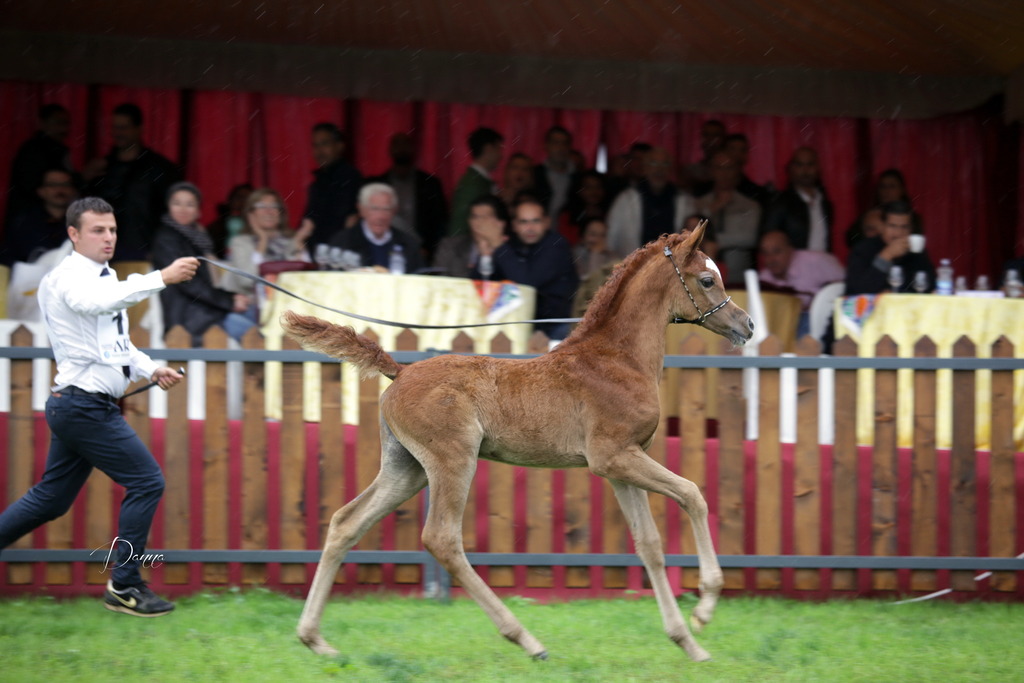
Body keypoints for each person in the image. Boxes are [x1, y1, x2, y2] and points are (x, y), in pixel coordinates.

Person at [0, 196, 198, 617]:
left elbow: (115, 343)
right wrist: (160, 276)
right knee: (147, 482)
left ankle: (125, 584)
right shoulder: (67, 278)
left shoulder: (104, 276)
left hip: (81, 407)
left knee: (51, 500)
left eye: (111, 230)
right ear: (74, 234)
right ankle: (125, 585)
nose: (108, 238)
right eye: (97, 230)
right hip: (83, 408)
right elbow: (98, 304)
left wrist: (150, 369)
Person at [150, 182, 255, 346]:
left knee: (257, 316)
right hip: (189, 316)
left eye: (190, 204)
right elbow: (188, 282)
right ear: (168, 206)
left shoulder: (195, 237)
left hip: (205, 308)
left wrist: (231, 298)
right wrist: (228, 301)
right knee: (257, 336)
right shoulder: (167, 238)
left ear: (198, 210)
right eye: (177, 203)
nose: (183, 209)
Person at [81, 103, 181, 260]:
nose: (117, 133)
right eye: (114, 127)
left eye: (123, 127)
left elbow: (173, 215)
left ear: (139, 128)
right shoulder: (101, 168)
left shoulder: (159, 168)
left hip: (144, 252)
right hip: (103, 253)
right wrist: (84, 179)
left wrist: (162, 248)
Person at [492, 197, 579, 340]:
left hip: (556, 326)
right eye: (523, 222)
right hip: (518, 324)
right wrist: (486, 255)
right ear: (514, 225)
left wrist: (498, 246)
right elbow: (486, 283)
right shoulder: (511, 246)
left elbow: (527, 283)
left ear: (546, 222)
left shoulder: (557, 245)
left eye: (536, 221)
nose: (530, 228)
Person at [365, 132, 448, 259]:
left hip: (421, 253)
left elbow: (440, 223)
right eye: (397, 144)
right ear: (390, 150)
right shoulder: (377, 183)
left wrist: (429, 250)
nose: (401, 148)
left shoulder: (430, 184)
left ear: (413, 149)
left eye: (405, 144)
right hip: (382, 251)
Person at [221, 188, 312, 303]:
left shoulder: (291, 241)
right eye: (262, 206)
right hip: (249, 306)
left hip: (285, 304)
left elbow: (306, 279)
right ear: (251, 214)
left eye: (274, 206)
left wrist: (299, 242)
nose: (269, 211)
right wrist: (262, 241)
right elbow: (247, 281)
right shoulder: (240, 242)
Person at [606, 146, 695, 258]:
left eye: (665, 164)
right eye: (654, 164)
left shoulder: (684, 201)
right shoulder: (625, 200)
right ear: (644, 168)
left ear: (671, 170)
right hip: (634, 268)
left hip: (673, 267)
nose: (659, 170)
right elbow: (610, 240)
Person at [758, 229, 846, 337]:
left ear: (790, 250)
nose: (770, 259)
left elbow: (845, 286)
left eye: (776, 251)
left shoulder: (817, 261)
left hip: (825, 320)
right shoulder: (764, 278)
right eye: (766, 253)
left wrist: (819, 303)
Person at [694, 151, 762, 286]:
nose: (724, 173)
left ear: (737, 171)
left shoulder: (750, 205)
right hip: (702, 274)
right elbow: (691, 231)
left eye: (729, 167)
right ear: (711, 171)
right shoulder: (698, 204)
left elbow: (749, 238)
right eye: (719, 167)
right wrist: (712, 210)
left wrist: (713, 241)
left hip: (737, 275)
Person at [328, 183, 424, 273]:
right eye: (375, 209)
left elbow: (420, 280)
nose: (381, 216)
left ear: (394, 212)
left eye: (386, 209)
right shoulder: (342, 242)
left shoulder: (408, 245)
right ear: (361, 210)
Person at [845, 200, 935, 295]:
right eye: (892, 226)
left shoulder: (916, 251)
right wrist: (885, 256)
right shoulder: (864, 249)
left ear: (911, 229)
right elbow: (856, 290)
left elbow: (929, 287)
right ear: (882, 226)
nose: (898, 233)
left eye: (904, 227)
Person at [299, 122, 362, 257]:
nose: (319, 151)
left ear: (339, 146)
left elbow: (350, 221)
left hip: (340, 255)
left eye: (324, 144)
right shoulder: (318, 182)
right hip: (318, 255)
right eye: (315, 145)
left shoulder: (350, 178)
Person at [6, 104, 73, 224]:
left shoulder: (55, 150)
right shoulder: (35, 151)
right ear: (42, 123)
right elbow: (31, 187)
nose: (63, 129)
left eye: (66, 123)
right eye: (58, 123)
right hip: (33, 219)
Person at [761, 146, 834, 253]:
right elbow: (768, 240)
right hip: (792, 267)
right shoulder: (780, 202)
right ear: (791, 168)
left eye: (810, 164)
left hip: (821, 266)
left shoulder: (824, 203)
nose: (805, 170)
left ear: (818, 167)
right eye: (800, 165)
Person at [2, 167, 77, 266]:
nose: (60, 189)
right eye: (53, 185)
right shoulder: (23, 223)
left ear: (73, 190)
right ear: (40, 191)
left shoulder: (83, 222)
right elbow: (7, 259)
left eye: (65, 185)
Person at [433, 194, 510, 279]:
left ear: (500, 224)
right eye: (474, 217)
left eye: (484, 217)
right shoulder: (449, 246)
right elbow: (437, 281)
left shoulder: (511, 251)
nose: (478, 223)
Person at [447, 127, 504, 238]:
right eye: (499, 149)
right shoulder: (472, 184)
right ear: (488, 149)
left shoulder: (479, 181)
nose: (501, 155)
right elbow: (459, 226)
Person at [846, 168, 922, 248]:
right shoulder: (871, 216)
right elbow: (851, 238)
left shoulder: (913, 219)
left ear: (901, 189)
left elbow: (916, 246)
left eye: (892, 186)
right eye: (883, 186)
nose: (886, 191)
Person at [532, 125, 580, 220]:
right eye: (556, 143)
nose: (560, 148)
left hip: (569, 232)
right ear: (546, 145)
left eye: (565, 143)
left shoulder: (578, 178)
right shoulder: (535, 174)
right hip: (538, 230)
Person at [722, 133, 773, 208]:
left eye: (742, 150)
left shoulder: (756, 192)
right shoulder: (709, 188)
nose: (737, 155)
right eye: (732, 149)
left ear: (746, 155)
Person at [206, 183, 253, 258]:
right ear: (231, 199)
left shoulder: (257, 225)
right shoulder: (216, 227)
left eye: (247, 198)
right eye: (239, 197)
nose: (242, 202)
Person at [681, 119, 726, 196]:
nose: (710, 140)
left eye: (715, 136)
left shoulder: (729, 171)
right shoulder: (690, 171)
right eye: (706, 135)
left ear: (723, 139)